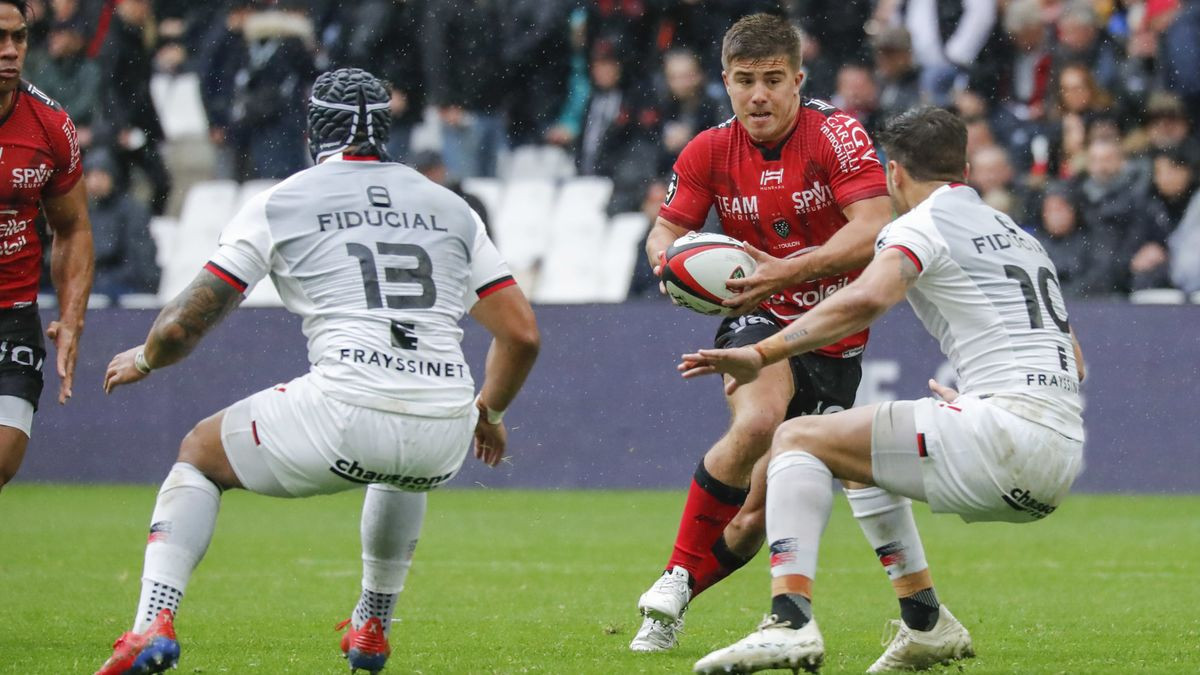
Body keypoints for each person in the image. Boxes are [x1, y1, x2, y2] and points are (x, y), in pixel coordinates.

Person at [94, 68, 540, 675]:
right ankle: (372, 626)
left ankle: (151, 623)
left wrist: (146, 358)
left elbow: (182, 325)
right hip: (446, 425)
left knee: (199, 454)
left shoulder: (283, 200)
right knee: (401, 472)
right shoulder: (450, 207)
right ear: (389, 129)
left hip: (346, 409)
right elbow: (521, 334)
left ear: (312, 129)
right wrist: (488, 413)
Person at [683, 106, 1086, 674]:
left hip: (1005, 437)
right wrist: (979, 401)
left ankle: (789, 620)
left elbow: (865, 300)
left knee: (797, 438)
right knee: (855, 457)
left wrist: (761, 351)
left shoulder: (917, 224)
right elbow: (1075, 362)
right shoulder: (1021, 238)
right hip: (1057, 453)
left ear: (893, 173)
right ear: (965, 167)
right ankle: (926, 622)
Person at [631, 14, 958, 661]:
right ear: (725, 81)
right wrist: (668, 267)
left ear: (798, 80)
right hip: (760, 314)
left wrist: (791, 267)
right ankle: (673, 573)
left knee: (755, 517)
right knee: (758, 418)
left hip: (834, 334)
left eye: (773, 80)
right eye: (746, 80)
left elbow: (872, 228)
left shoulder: (836, 135)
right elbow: (663, 234)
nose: (759, 94)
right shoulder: (705, 150)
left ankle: (677, 599)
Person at [0, 0, 94, 492]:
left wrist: (72, 316)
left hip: (12, 316)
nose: (10, 51)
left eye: (18, 38)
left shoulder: (51, 126)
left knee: (3, 459)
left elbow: (73, 228)